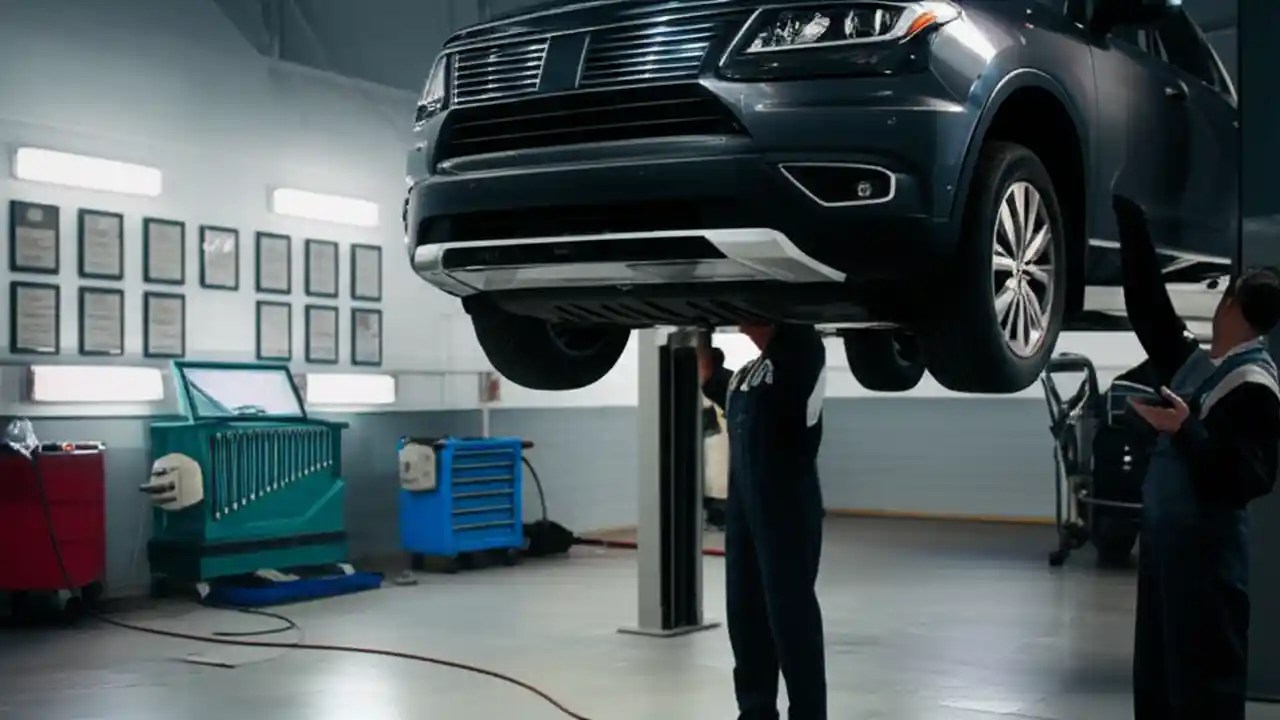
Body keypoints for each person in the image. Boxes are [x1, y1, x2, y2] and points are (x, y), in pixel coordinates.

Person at [1114, 195, 1280, 720]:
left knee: (1203, 690)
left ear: (1229, 304)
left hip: (1206, 563)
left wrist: (1186, 429)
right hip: (1168, 553)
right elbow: (1151, 314)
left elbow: (1248, 478)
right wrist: (1132, 226)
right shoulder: (1203, 367)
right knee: (1161, 684)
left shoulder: (1255, 384)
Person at [697, 323, 828, 720]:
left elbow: (797, 338)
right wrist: (701, 332)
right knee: (745, 615)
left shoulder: (802, 357)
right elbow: (710, 379)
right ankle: (755, 712)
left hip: (787, 509)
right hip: (744, 517)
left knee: (790, 618)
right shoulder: (744, 376)